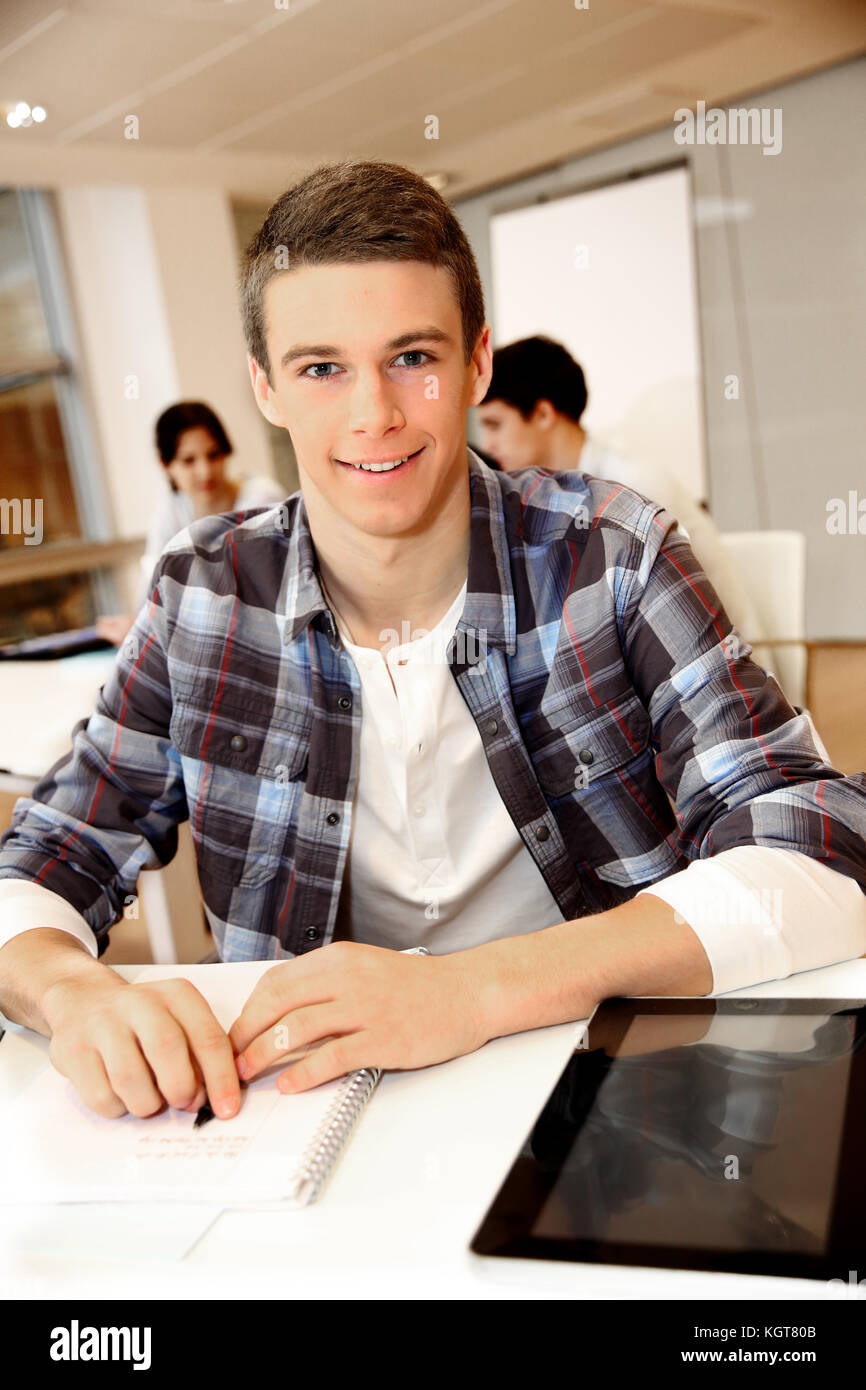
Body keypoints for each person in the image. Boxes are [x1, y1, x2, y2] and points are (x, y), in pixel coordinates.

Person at [0, 160, 864, 1130]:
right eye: (321, 367)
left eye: (412, 356)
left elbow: (823, 852)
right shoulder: (201, 593)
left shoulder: (611, 558)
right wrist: (73, 993)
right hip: (305, 1123)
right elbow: (42, 860)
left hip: (598, 1094)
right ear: (265, 387)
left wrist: (465, 993)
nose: (374, 413)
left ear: (477, 363)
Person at [476, 336, 762, 642]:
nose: (487, 445)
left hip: (720, 668)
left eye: (495, 425)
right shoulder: (551, 496)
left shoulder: (634, 486)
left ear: (544, 414)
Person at [95, 400, 285, 646]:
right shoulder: (173, 510)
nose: (205, 471)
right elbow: (153, 589)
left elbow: (249, 599)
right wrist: (137, 624)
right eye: (188, 461)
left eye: (213, 455)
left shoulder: (261, 499)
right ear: (165, 465)